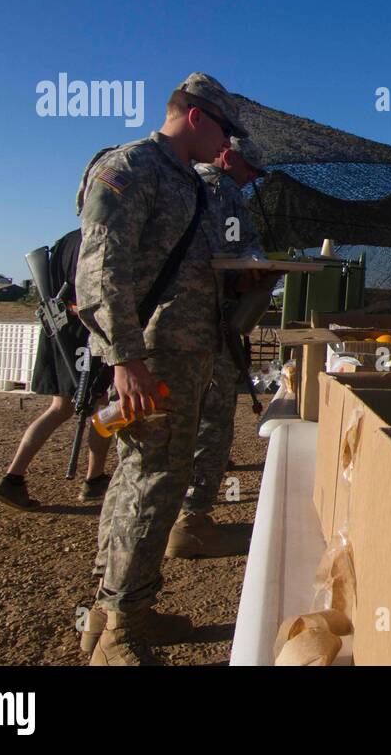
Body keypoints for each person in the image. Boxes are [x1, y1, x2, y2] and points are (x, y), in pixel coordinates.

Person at [74, 72, 253, 665]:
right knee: (152, 481)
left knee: (143, 480)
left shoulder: (185, 179)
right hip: (150, 358)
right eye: (224, 128)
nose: (227, 143)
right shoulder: (132, 167)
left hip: (181, 353)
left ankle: (115, 610)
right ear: (197, 116)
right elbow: (99, 270)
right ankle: (122, 631)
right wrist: (125, 359)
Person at [165, 136, 269, 559]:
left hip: (170, 329)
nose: (250, 181)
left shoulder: (177, 183)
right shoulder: (221, 191)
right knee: (213, 420)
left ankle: (168, 515)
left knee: (171, 423)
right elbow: (241, 252)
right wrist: (257, 270)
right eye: (249, 170)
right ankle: (193, 521)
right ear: (229, 157)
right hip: (213, 325)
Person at [0, 228, 111, 511]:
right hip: (85, 330)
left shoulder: (66, 241)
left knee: (63, 407)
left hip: (58, 329)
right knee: (100, 407)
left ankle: (14, 477)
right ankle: (94, 480)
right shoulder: (100, 233)